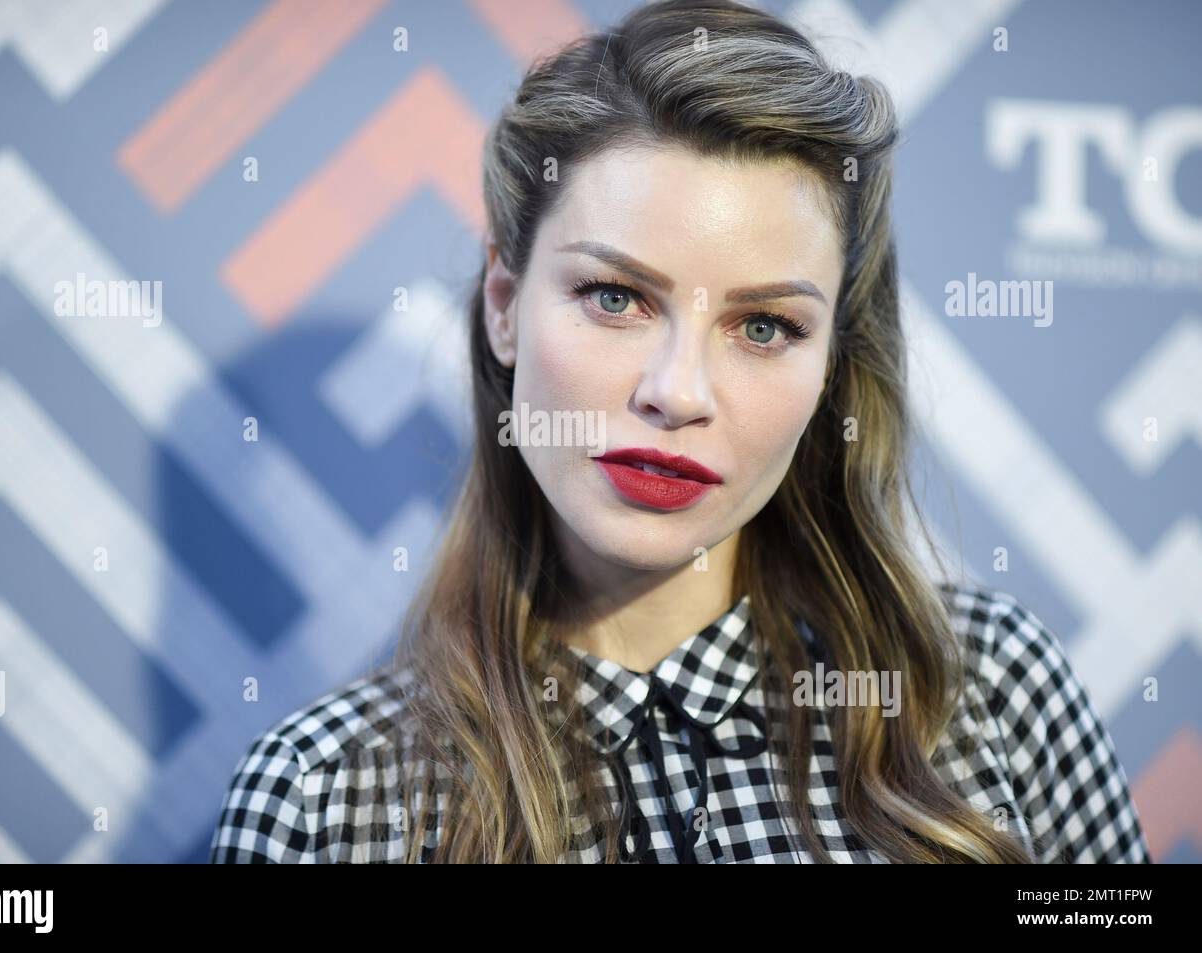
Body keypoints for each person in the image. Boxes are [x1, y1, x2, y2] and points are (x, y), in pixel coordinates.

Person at [208, 0, 1151, 863]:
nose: (679, 391)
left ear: (829, 368)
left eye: (764, 326)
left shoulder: (987, 692)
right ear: (505, 304)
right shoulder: (322, 803)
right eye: (615, 296)